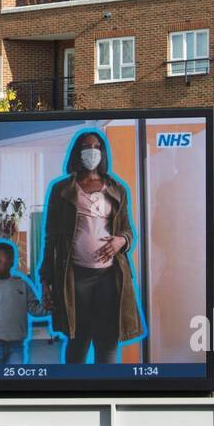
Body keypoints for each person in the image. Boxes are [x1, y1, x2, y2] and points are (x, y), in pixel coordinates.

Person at [38, 130, 141, 363]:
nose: (91, 152)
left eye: (96, 147)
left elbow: (128, 232)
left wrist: (121, 241)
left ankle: (109, 395)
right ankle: (75, 396)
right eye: (86, 147)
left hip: (109, 276)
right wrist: (45, 281)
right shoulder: (62, 189)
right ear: (77, 152)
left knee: (107, 341)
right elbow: (50, 238)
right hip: (74, 276)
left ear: (102, 153)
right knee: (77, 340)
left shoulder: (117, 189)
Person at [0, 241, 42, 365]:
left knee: (14, 376)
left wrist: (49, 308)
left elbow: (35, 309)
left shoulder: (22, 284)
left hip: (16, 347)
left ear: (10, 262)